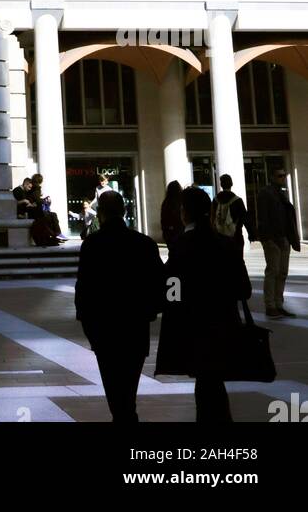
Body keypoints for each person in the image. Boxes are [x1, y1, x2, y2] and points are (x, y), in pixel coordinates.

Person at [155, 185, 251, 423]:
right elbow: (244, 289)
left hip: (194, 325)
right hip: (223, 323)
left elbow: (171, 287)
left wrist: (176, 304)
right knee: (213, 381)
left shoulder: (181, 245)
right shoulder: (226, 244)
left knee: (206, 382)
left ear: (184, 212)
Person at [75, 189, 165, 422]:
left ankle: (124, 417)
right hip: (135, 324)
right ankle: (127, 416)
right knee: (129, 384)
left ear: (101, 214)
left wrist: (86, 322)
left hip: (103, 326)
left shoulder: (92, 245)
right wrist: (152, 311)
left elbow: (83, 287)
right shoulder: (144, 243)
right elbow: (161, 283)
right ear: (124, 212)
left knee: (113, 385)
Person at [257, 167, 300, 317]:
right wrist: (268, 238)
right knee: (273, 271)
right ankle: (270, 305)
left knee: (282, 272)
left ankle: (278, 303)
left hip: (284, 238)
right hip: (273, 240)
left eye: (284, 175)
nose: (283, 178)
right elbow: (263, 217)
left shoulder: (282, 193)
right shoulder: (265, 193)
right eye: (280, 175)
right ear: (272, 177)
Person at [211, 174, 250, 253]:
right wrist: (251, 234)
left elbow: (211, 218)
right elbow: (245, 219)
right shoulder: (237, 200)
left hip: (219, 238)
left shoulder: (215, 200)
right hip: (235, 237)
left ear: (221, 185)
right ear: (231, 184)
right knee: (237, 262)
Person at [29, 173, 64, 244]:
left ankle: (57, 234)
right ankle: (57, 234)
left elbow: (37, 200)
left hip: (38, 212)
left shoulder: (35, 189)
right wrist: (44, 200)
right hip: (37, 213)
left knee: (53, 215)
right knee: (51, 216)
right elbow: (37, 201)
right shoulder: (35, 189)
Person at [160, 181, 184, 251]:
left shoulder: (166, 203)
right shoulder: (181, 201)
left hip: (169, 232)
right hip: (179, 230)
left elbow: (163, 219)